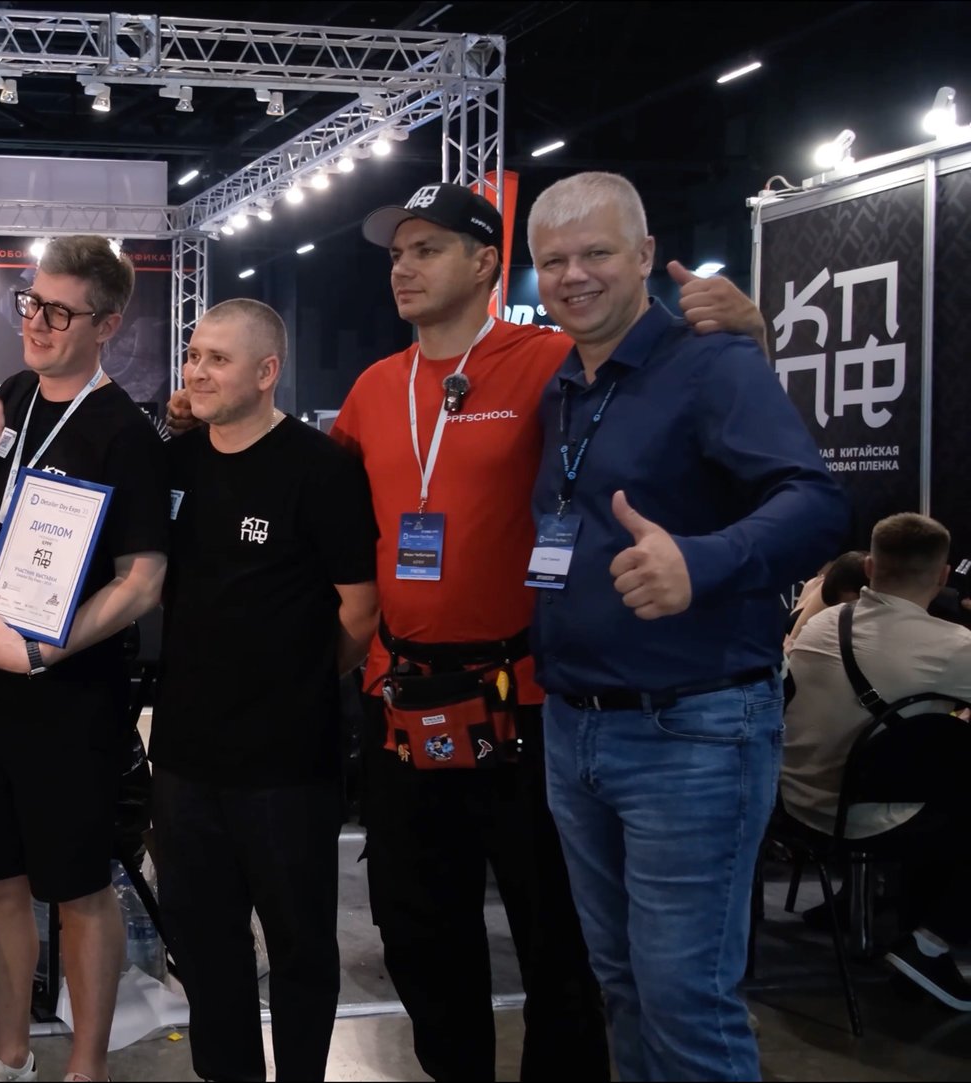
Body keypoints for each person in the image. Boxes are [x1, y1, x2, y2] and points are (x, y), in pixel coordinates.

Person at [168, 180, 765, 1081]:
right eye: (397, 253)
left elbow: (675, 397)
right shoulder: (375, 388)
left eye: (428, 249)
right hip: (404, 702)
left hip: (524, 698)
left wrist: (749, 340)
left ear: (486, 262)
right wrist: (205, 406)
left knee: (557, 943)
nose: (403, 268)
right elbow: (306, 498)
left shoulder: (553, 360)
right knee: (419, 936)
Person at [526, 171, 848, 1080]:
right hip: (576, 725)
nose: (574, 275)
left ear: (644, 256)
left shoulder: (712, 364)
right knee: (625, 987)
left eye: (596, 253)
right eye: (554, 260)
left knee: (687, 1004)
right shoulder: (565, 385)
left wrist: (701, 562)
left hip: (691, 727)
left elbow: (817, 503)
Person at [0, 235, 168, 1083]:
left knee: (77, 886)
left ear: (108, 323)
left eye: (59, 312)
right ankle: (10, 1055)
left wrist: (44, 650)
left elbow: (142, 580)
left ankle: (86, 1067)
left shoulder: (124, 431)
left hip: (70, 692)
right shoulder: (10, 397)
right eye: (30, 302)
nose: (35, 322)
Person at [151, 298, 378, 1082]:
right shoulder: (177, 463)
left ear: (267, 371)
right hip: (185, 754)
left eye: (218, 358)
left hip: (287, 760)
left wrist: (297, 680)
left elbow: (360, 610)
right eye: (193, 355)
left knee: (299, 946)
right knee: (204, 945)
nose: (197, 371)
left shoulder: (320, 468)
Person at [783, 513, 971, 1010]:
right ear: (943, 575)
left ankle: (873, 905)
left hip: (792, 807)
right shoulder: (955, 647)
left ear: (868, 566)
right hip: (870, 817)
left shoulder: (822, 623)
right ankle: (929, 945)